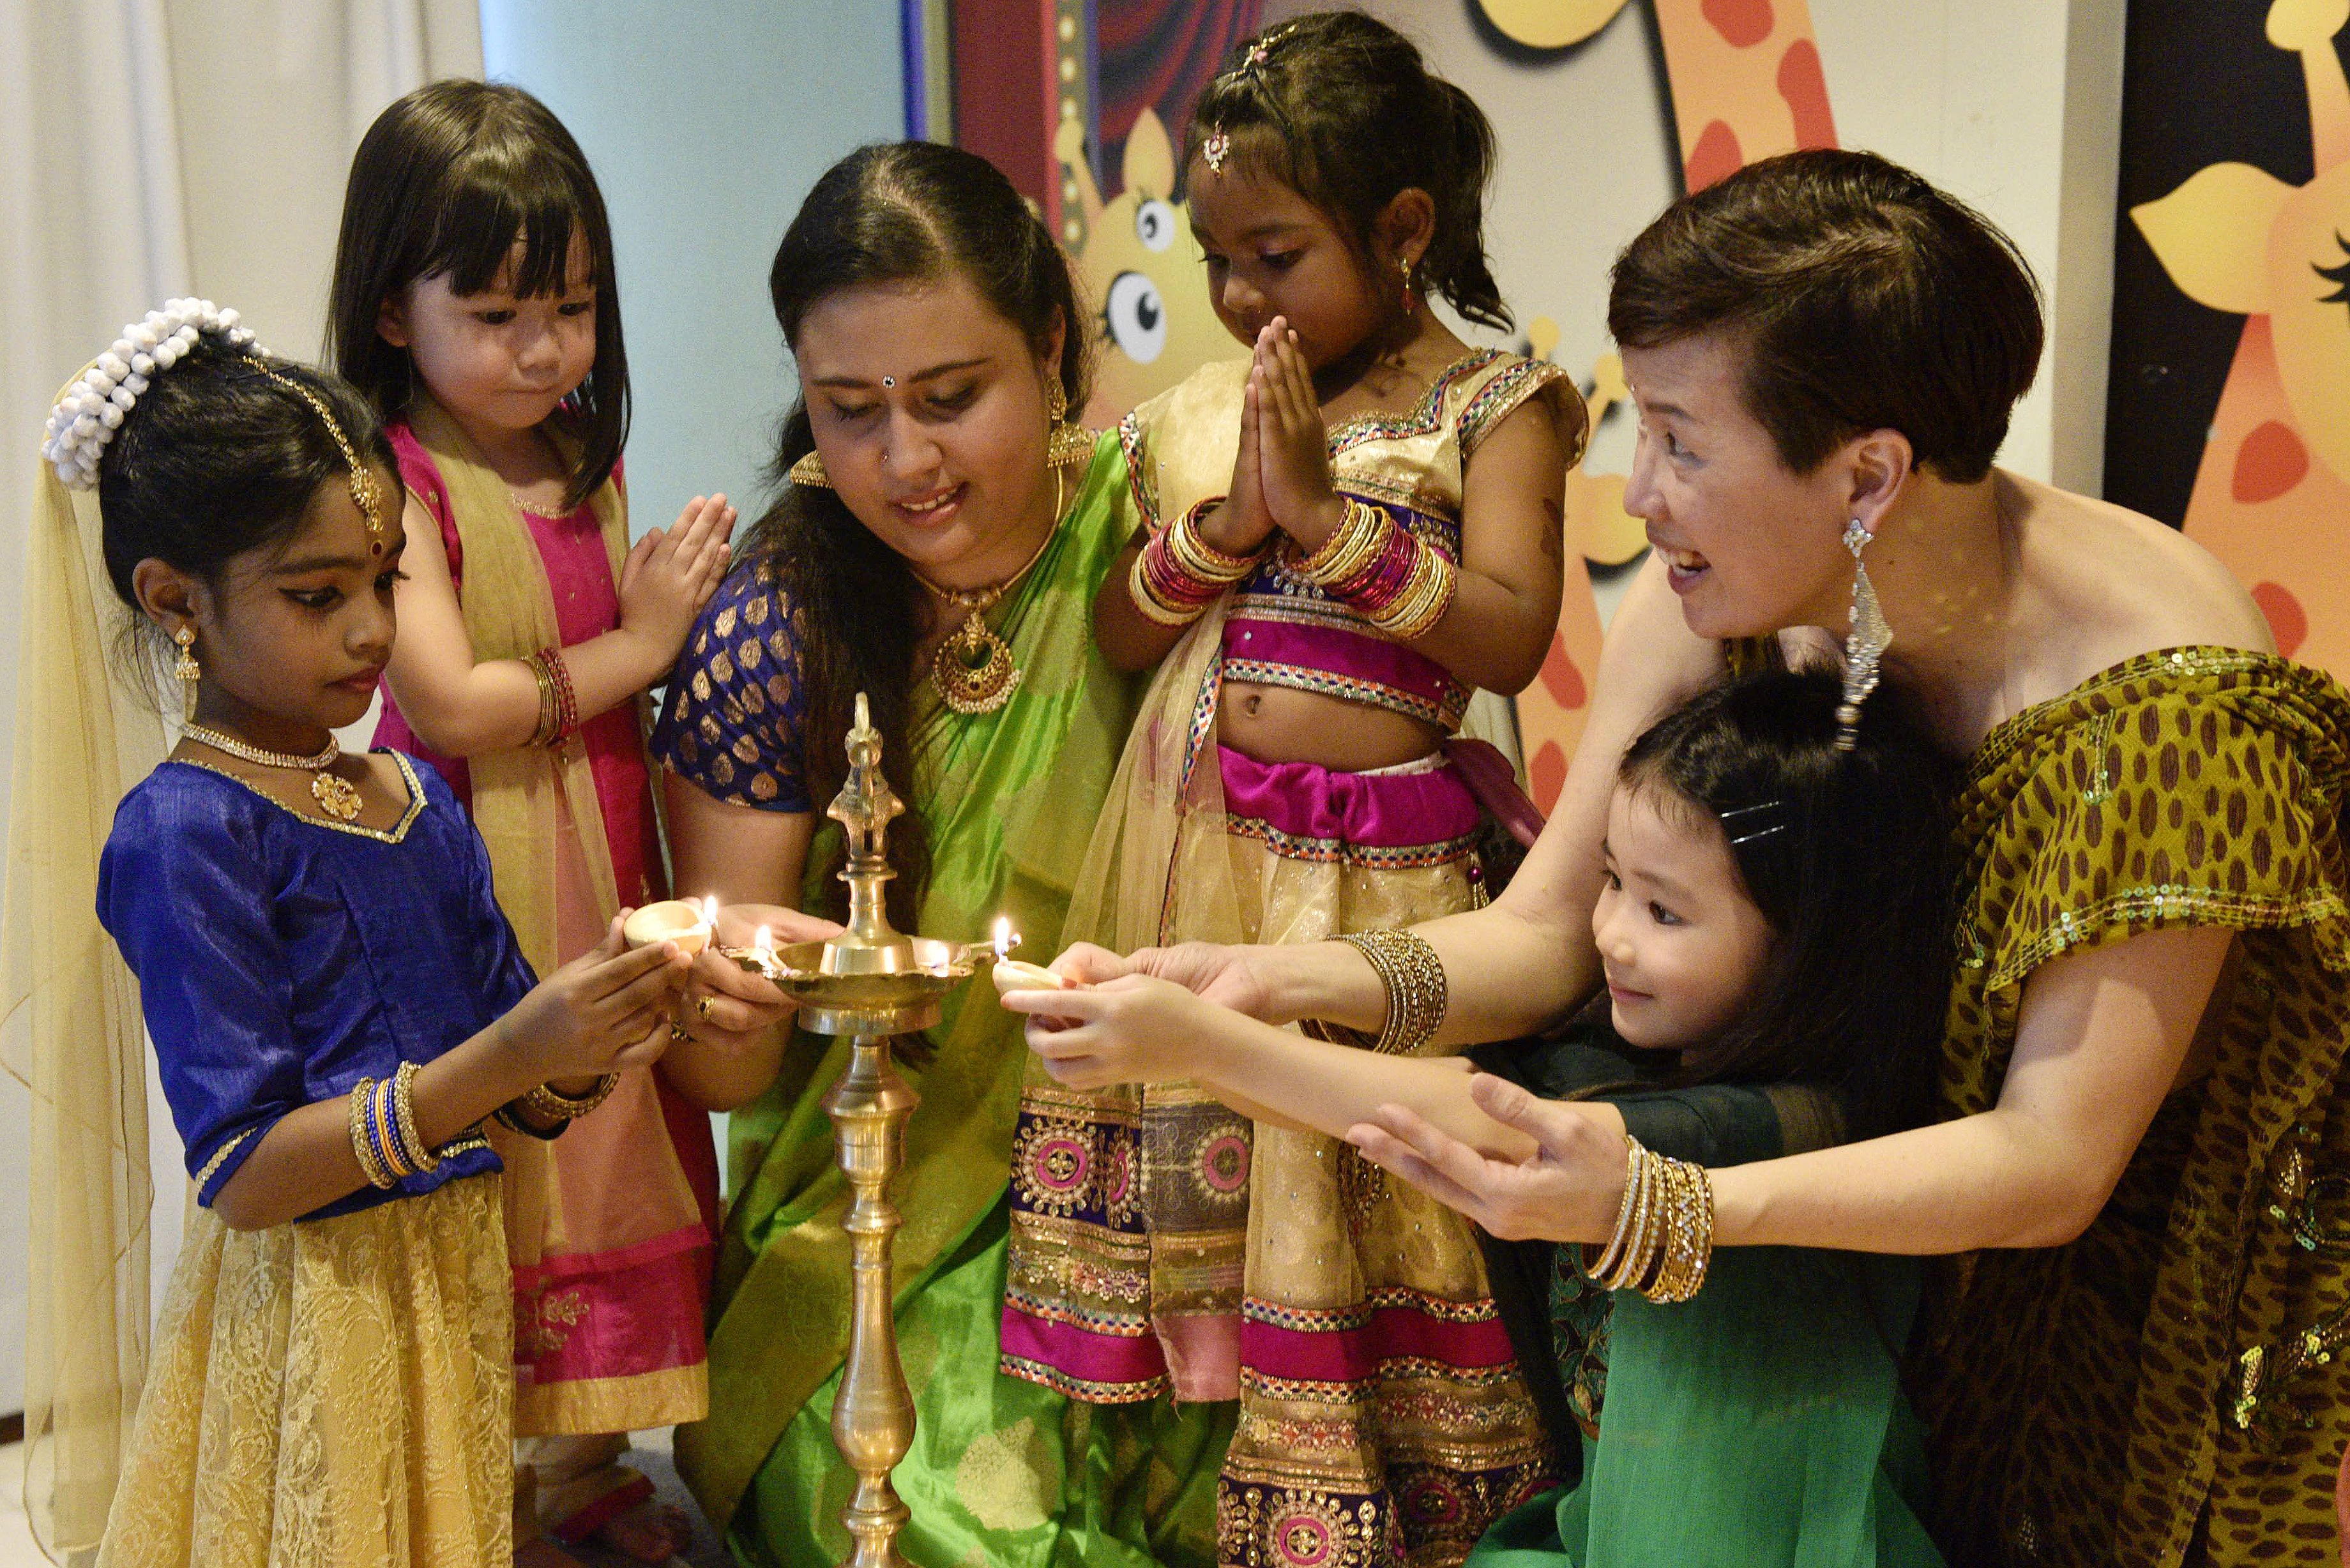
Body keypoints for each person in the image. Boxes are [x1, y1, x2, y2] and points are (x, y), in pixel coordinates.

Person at [1079, 147, 2350, 1567]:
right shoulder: (1727, 597)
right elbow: (1554, 932)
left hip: (2090, 1338)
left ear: (1867, 473)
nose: (1639, 499)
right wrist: (1260, 981)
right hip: (1799, 1272)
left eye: (1681, 442)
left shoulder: (2174, 702)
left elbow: (2052, 1160)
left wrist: (1666, 1199)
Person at [1001, 15, 1586, 1565]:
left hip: (1382, 899)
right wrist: (1229, 526)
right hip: (1209, 868)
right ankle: (1214, 1507)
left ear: (1402, 232)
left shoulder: (1498, 402)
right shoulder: (1213, 412)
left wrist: (1332, 526)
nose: (1243, 297)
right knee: (1225, 1201)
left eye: (1276, 252)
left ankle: (1395, 1515)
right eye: (1217, 260)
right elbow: (1124, 630)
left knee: (1363, 1204)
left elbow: (1516, 636)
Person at [1007, 666, 1955, 1565]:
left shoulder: (1792, 1124)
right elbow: (1368, 1109)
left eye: (1666, 913)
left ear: (1806, 943)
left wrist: (1194, 1041)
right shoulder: (1631, 1059)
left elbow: (1479, 1117)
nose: (1611, 934)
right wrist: (1193, 1023)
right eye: (1615, 882)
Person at [648, 141, 1232, 1568]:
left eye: (949, 399)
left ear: (1049, 348)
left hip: (1171, 1183)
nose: (903, 461)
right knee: (955, 1529)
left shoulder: (1168, 540)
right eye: (849, 412)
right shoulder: (774, 622)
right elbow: (728, 1073)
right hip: (871, 1225)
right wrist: (718, 986)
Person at [33, 305, 693, 1566]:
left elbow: (524, 1078)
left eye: (383, 579)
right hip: (307, 1314)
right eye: (315, 592)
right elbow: (249, 1164)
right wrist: (511, 1057)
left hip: (448, 1280)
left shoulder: (409, 795)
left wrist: (622, 1013)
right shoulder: (186, 830)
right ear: (174, 601)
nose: (371, 629)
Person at [326, 79, 734, 1562]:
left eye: (570, 305)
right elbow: (449, 701)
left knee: (621, 1134)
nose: (545, 346)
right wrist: (647, 639)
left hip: (605, 836)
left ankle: (584, 1467)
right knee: (506, 1147)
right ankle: (471, 1474)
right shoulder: (390, 474)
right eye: (496, 313)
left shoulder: (581, 454)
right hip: (472, 875)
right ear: (391, 312)